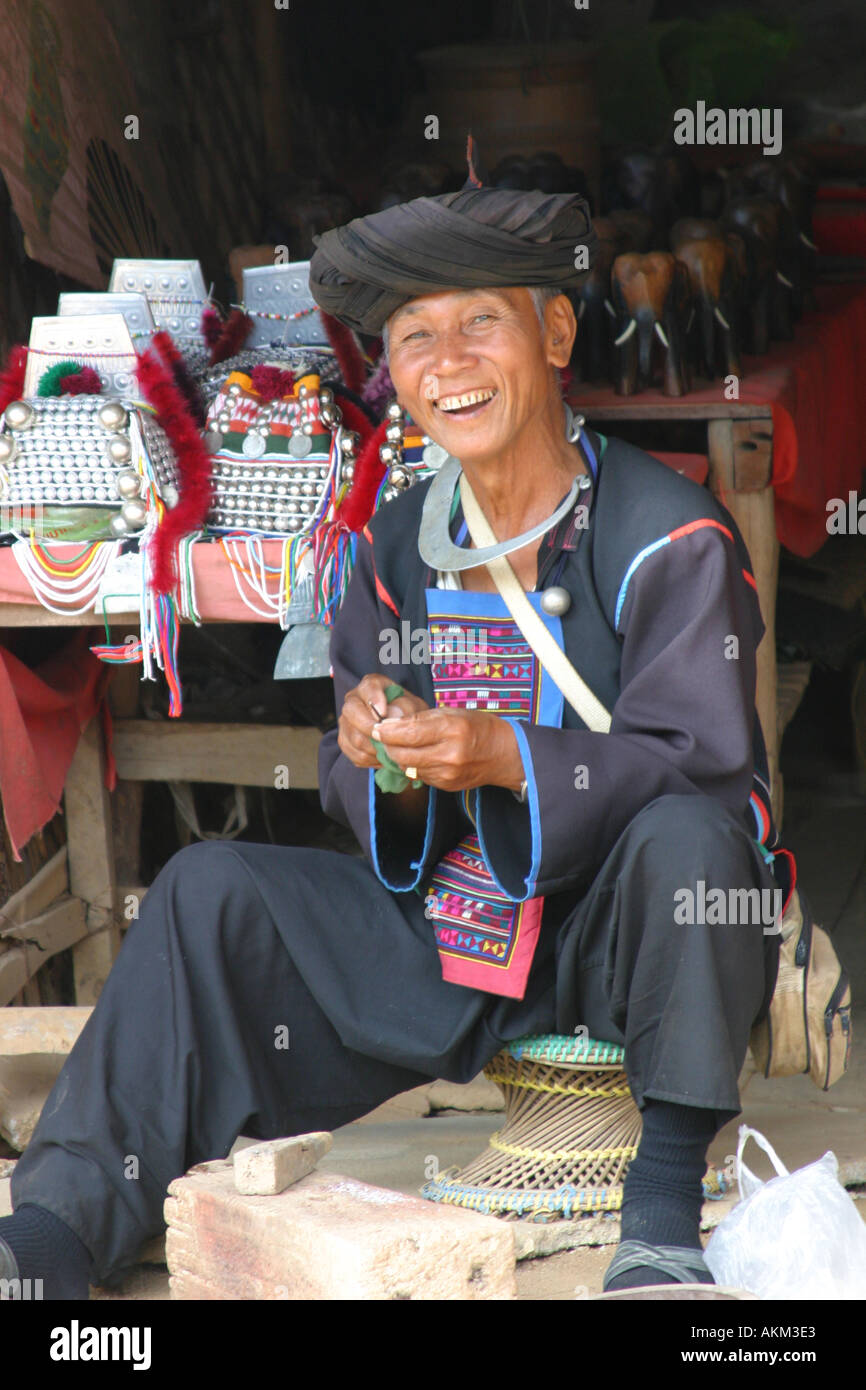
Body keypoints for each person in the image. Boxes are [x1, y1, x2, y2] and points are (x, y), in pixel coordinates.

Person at [1, 186, 782, 1299]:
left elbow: (710, 773)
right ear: (394, 371)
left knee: (697, 846)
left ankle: (658, 1221)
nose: (447, 362)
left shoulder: (669, 537)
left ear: (556, 334)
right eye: (415, 336)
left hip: (616, 940)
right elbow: (350, 770)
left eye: (481, 322)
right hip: (455, 935)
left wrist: (507, 756)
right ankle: (56, 1232)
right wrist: (384, 756)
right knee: (206, 892)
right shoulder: (396, 539)